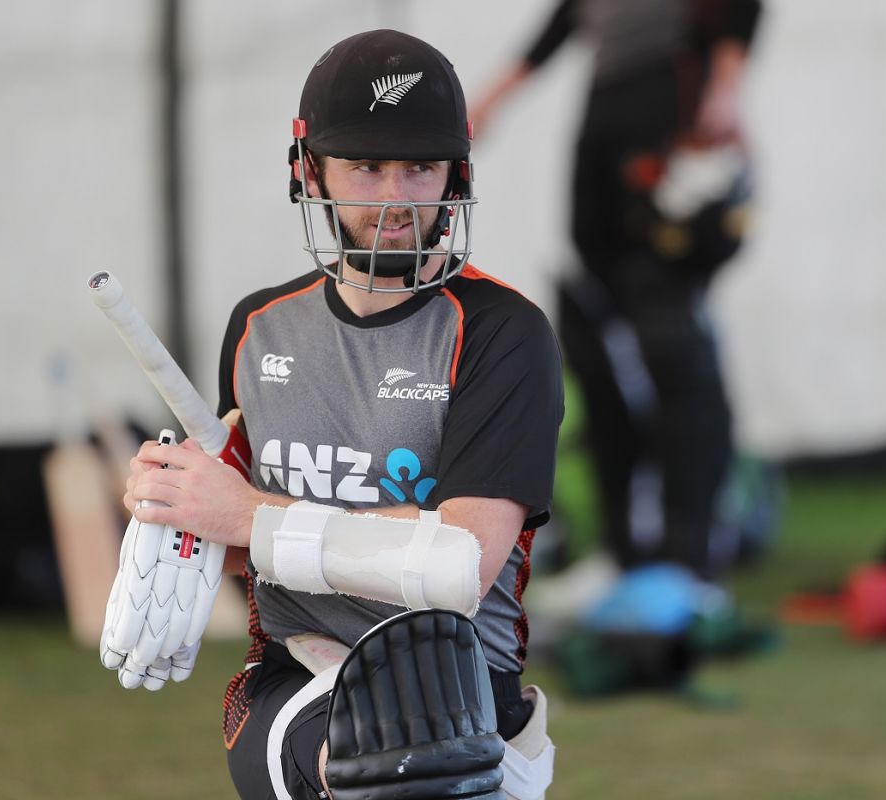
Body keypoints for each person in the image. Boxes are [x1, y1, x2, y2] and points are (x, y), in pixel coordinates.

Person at [122, 29, 563, 800]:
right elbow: (236, 539)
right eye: (365, 166)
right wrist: (172, 509)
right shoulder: (259, 328)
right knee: (383, 759)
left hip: (455, 684)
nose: (394, 198)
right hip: (293, 677)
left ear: (455, 174)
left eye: (419, 168)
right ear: (310, 170)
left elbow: (459, 564)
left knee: (412, 747)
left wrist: (249, 515)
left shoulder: (503, 332)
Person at [471, 2, 762, 588]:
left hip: (669, 108)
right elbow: (562, 24)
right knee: (593, 338)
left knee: (671, 342)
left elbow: (738, 10)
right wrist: (488, 103)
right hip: (605, 116)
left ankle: (688, 553)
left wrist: (726, 89)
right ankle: (622, 545)